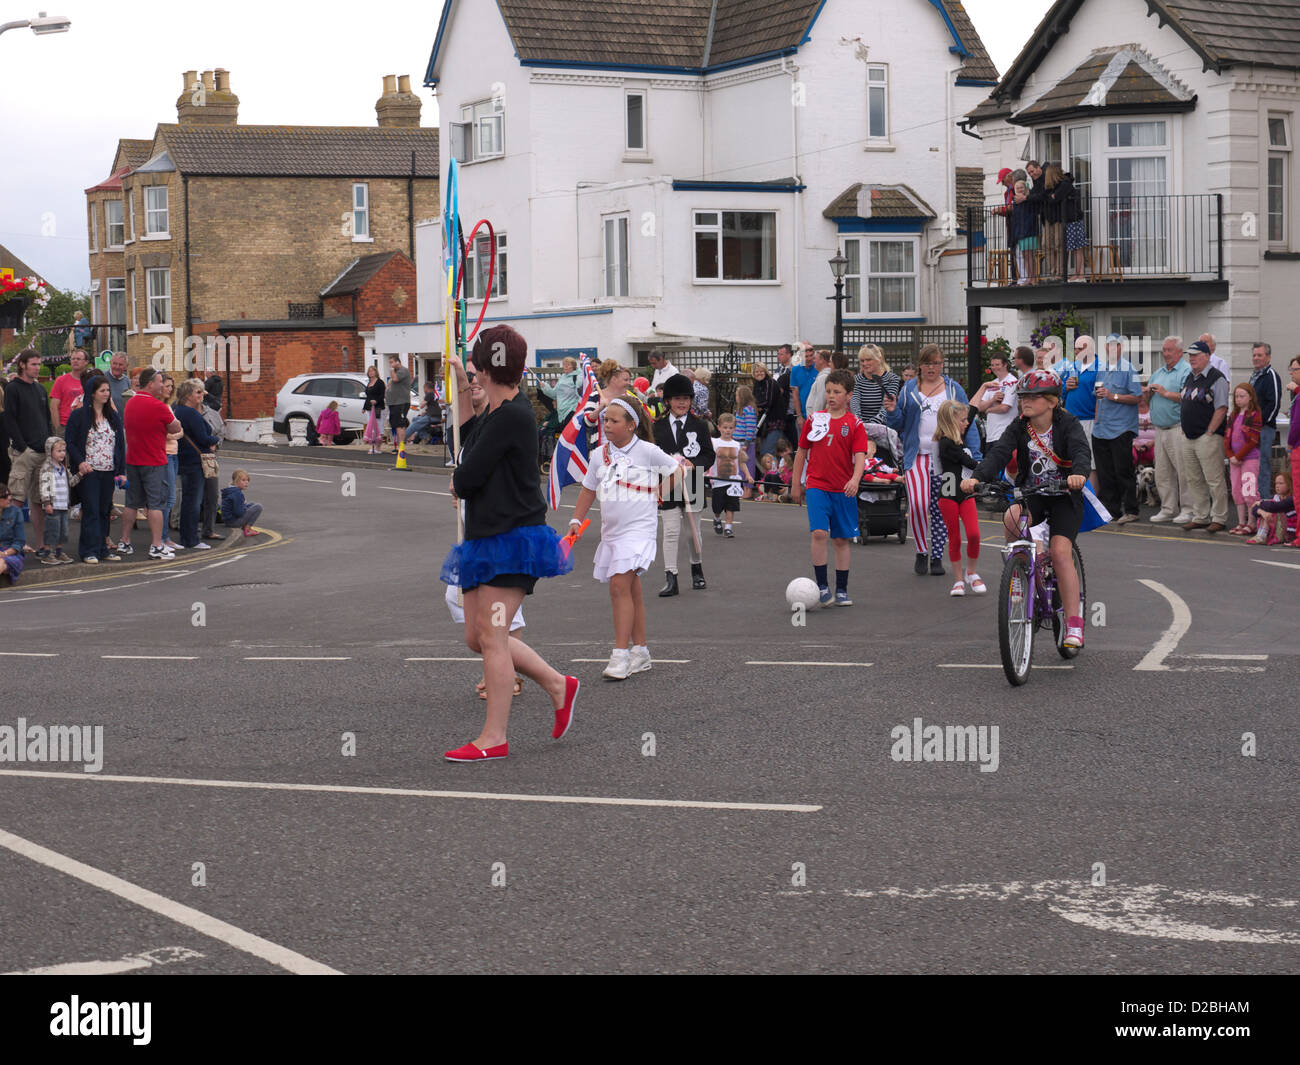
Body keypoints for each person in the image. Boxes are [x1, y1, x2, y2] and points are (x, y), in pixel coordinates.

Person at [439, 325, 580, 762]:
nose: (474, 373)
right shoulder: (500, 411)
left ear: (487, 368)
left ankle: (493, 737)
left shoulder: (513, 416)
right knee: (476, 636)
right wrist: (461, 381)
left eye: (476, 367)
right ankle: (558, 683)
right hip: (486, 539)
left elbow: (467, 476)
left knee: (493, 637)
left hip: (511, 542)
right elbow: (466, 434)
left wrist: (459, 481)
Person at [961, 369, 1092, 646]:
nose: (1025, 402)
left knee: (1060, 552)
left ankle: (1074, 624)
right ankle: (1020, 575)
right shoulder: (1020, 425)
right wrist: (977, 478)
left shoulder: (1068, 424)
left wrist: (1079, 474)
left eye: (1033, 397)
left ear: (1052, 401)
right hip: (1033, 494)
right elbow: (999, 453)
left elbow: (1081, 451)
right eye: (1023, 397)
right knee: (1012, 517)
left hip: (1064, 496)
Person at [569, 393, 680, 680]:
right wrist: (576, 520)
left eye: (614, 421)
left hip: (639, 529)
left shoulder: (647, 451)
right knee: (631, 589)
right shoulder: (599, 455)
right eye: (605, 420)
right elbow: (588, 489)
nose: (607, 425)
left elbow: (677, 472)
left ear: (631, 425)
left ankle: (620, 655)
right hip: (612, 531)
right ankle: (640, 652)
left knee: (618, 585)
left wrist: (658, 494)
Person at [883, 344, 982, 577]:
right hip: (917, 455)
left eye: (936, 363)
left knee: (942, 507)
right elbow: (898, 424)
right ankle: (921, 550)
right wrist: (892, 410)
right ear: (920, 365)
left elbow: (968, 423)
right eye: (927, 363)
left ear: (942, 364)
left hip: (947, 459)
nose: (931, 368)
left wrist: (976, 456)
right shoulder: (908, 389)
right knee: (918, 504)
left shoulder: (954, 389)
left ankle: (937, 556)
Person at [791, 369, 868, 606]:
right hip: (817, 485)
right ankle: (822, 586)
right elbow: (801, 452)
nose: (831, 396)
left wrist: (855, 480)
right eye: (828, 391)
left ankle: (842, 589)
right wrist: (796, 483)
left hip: (842, 489)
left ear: (849, 395)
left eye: (837, 392)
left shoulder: (855, 424)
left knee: (841, 540)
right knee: (819, 533)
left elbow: (860, 456)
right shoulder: (815, 420)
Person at [653, 373, 714, 596]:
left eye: (686, 399)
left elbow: (709, 455)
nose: (682, 403)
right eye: (677, 399)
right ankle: (671, 576)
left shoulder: (699, 425)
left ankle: (697, 570)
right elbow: (650, 455)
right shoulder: (657, 426)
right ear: (668, 401)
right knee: (670, 531)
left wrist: (693, 464)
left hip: (692, 482)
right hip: (668, 484)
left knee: (692, 532)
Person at [119, 367, 184, 559]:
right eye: (159, 382)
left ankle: (124, 541)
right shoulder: (159, 406)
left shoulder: (130, 403)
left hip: (133, 459)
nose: (162, 385)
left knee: (131, 504)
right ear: (150, 384)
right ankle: (156, 545)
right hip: (154, 461)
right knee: (156, 504)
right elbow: (176, 427)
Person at [65, 375, 124, 564]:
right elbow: (70, 442)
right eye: (102, 390)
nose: (106, 394)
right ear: (92, 393)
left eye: (108, 390)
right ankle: (88, 551)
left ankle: (102, 549)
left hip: (108, 470)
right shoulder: (78, 415)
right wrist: (80, 462)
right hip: (89, 471)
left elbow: (120, 445)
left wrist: (121, 471)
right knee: (91, 510)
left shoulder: (113, 416)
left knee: (105, 510)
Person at [1178, 340, 1231, 532]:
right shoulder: (1190, 377)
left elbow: (1222, 408)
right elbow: (1185, 402)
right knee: (1194, 479)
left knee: (1214, 479)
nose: (1191, 359)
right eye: (1190, 355)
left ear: (1207, 356)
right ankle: (1201, 516)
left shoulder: (1217, 378)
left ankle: (1219, 517)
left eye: (1195, 355)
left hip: (1207, 436)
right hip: (1189, 436)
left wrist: (1210, 431)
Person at [4, 349, 54, 550]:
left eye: (39, 364)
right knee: (16, 500)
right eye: (33, 364)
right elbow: (9, 419)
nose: (37, 368)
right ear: (22, 365)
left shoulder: (40, 389)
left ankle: (41, 545)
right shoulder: (13, 388)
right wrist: (22, 447)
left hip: (43, 453)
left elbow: (47, 419)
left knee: (39, 502)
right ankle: (13, 545)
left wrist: (50, 445)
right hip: (23, 453)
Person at [1090, 335, 1142, 524]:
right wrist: (1097, 416)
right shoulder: (1102, 369)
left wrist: (1113, 396)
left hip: (1121, 428)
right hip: (1101, 428)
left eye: (1115, 346)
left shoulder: (1130, 368)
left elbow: (1137, 397)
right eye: (1108, 346)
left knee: (1123, 471)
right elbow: (1097, 396)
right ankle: (1112, 510)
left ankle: (1131, 510)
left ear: (1121, 348)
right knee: (1105, 473)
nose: (1111, 349)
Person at [933, 401, 984, 596]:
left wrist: (983, 388)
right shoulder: (946, 443)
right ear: (951, 422)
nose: (967, 423)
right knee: (954, 537)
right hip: (948, 495)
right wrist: (987, 468)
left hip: (965, 493)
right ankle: (958, 580)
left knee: (974, 534)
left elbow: (971, 411)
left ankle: (971, 572)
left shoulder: (958, 436)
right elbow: (968, 462)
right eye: (963, 421)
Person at [1143, 336, 1193, 523]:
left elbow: (1188, 397)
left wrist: (1164, 392)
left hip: (1177, 427)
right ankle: (1168, 508)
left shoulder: (1186, 371)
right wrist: (1147, 394)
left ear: (1179, 352)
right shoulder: (1158, 372)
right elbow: (1149, 400)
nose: (1165, 353)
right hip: (1159, 428)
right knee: (1163, 472)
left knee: (1183, 471)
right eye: (1164, 350)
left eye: (1169, 350)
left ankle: (1188, 509)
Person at [174, 378, 220, 551]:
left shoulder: (178, 410)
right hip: (195, 462)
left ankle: (186, 537)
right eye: (198, 392)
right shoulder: (191, 413)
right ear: (188, 395)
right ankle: (191, 539)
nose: (201, 395)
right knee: (194, 501)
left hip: (183, 460)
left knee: (187, 500)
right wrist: (214, 440)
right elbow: (203, 437)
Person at [1226, 383, 1263, 534]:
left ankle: (1252, 522)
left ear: (1250, 397)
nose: (1238, 399)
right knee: (1236, 490)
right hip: (1234, 460)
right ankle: (1241, 522)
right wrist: (1231, 456)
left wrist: (1239, 456)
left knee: (1249, 490)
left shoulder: (1255, 415)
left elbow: (1253, 440)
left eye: (1242, 396)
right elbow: (1227, 438)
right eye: (1236, 396)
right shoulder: (1233, 415)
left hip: (1249, 458)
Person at [36, 436, 79, 564]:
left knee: (63, 531)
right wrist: (47, 503)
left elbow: (71, 482)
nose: (62, 454)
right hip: (53, 506)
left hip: (63, 505)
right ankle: (47, 553)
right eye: (59, 451)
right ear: (50, 452)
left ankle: (59, 552)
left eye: (63, 451)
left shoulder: (63, 468)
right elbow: (44, 487)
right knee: (51, 530)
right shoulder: (47, 468)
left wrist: (80, 474)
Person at [709, 413, 752, 536]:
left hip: (733, 482)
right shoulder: (714, 442)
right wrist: (705, 471)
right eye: (725, 427)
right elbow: (709, 459)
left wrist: (748, 475)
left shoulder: (737, 445)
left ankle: (728, 527)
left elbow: (742, 462)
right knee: (717, 507)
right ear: (719, 427)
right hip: (718, 481)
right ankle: (717, 518)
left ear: (734, 429)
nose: (727, 430)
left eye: (730, 428)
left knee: (731, 506)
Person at [1250, 342, 1283, 495]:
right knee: (1251, 466)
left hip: (1264, 429)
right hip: (1250, 429)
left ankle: (1263, 501)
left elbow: (1274, 404)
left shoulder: (1271, 376)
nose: (1256, 358)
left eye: (1260, 355)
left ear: (1268, 357)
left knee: (1262, 466)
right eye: (1254, 355)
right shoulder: (1255, 376)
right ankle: (1252, 501)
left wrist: (1259, 424)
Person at [582, 360, 633, 449]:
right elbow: (587, 422)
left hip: (626, 448)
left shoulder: (630, 398)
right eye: (626, 380)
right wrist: (600, 408)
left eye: (629, 380)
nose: (629, 383)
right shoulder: (595, 396)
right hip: (601, 448)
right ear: (614, 379)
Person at [158, 375, 182, 552]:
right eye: (167, 385)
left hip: (173, 454)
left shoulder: (168, 406)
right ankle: (162, 538)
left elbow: (180, 431)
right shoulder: (158, 406)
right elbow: (163, 433)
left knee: (170, 498)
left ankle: (165, 537)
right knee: (168, 498)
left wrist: (174, 434)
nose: (170, 389)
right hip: (165, 454)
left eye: (171, 386)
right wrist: (173, 435)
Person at [852, 345, 901, 425]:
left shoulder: (892, 379)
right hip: (860, 426)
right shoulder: (856, 380)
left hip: (883, 427)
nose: (865, 363)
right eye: (862, 361)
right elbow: (854, 405)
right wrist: (860, 425)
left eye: (868, 360)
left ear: (879, 359)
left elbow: (886, 406)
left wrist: (871, 425)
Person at [49, 349, 90, 434]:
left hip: (87, 426)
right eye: (73, 359)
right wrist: (58, 430)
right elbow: (53, 407)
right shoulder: (61, 380)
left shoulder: (91, 380)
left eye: (78, 359)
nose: (75, 361)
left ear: (86, 362)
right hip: (66, 426)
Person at [1248, 471, 1294, 544]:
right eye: (1276, 483)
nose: (1277, 486)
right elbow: (1254, 509)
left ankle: (1262, 536)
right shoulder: (1275, 497)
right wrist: (1262, 512)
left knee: (1271, 510)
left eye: (1281, 483)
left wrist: (1261, 504)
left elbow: (1275, 506)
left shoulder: (1292, 499)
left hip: (1290, 532)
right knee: (1265, 510)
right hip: (1278, 529)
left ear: (1289, 485)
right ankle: (1261, 535)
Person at [538, 356, 584, 424]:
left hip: (572, 410)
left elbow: (580, 391)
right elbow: (554, 394)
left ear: (573, 367)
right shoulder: (562, 378)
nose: (565, 367)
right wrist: (545, 387)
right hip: (561, 412)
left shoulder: (578, 376)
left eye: (568, 365)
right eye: (564, 365)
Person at [1009, 181, 1038, 285]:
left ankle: (1032, 278)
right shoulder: (1015, 203)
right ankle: (1029, 277)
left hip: (1029, 231)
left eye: (1021, 187)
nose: (1020, 190)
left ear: (1025, 188)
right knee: (1025, 255)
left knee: (1029, 255)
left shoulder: (1029, 200)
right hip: (1020, 233)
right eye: (1017, 188)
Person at [1040, 164, 1066, 280]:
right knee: (1045, 244)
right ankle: (1052, 272)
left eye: (1047, 174)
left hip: (1059, 218)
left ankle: (1060, 272)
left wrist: (1051, 197)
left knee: (1058, 243)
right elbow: (1045, 198)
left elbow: (1054, 200)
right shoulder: (1047, 188)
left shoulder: (1062, 185)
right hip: (1048, 219)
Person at [220, 469, 264, 537]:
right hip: (233, 522)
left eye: (247, 480)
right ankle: (247, 529)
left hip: (228, 520)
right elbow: (239, 513)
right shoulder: (237, 493)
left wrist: (243, 505)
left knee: (251, 504)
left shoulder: (231, 490)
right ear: (236, 481)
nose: (246, 482)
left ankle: (246, 527)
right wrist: (243, 505)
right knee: (258, 507)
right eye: (243, 480)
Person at [386, 355, 412, 458]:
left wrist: (392, 370)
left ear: (397, 362)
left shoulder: (403, 371)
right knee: (395, 424)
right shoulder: (396, 372)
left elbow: (395, 379)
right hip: (393, 403)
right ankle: (397, 446)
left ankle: (401, 447)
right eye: (389, 362)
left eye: (392, 362)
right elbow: (391, 383)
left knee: (400, 424)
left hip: (401, 402)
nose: (390, 365)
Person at [789, 342, 817, 437]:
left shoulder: (819, 368)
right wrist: (799, 416)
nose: (809, 359)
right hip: (803, 415)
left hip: (818, 413)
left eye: (811, 356)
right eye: (806, 356)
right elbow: (795, 395)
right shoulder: (795, 370)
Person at [733, 385, 758, 490]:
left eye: (737, 395)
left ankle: (748, 489)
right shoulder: (740, 409)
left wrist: (747, 443)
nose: (736, 397)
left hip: (745, 443)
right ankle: (742, 488)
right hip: (738, 442)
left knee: (748, 465)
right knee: (740, 467)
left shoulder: (749, 410)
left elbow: (750, 428)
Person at [0, 484, 26, 586]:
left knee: (1, 562)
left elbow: (20, 541)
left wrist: (5, 553)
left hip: (10, 552)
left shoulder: (16, 512)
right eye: (5, 496)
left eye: (9, 494)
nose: (9, 498)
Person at [362, 364, 386, 454]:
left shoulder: (380, 382)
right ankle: (372, 445)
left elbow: (382, 395)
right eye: (369, 371)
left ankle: (378, 447)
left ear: (376, 372)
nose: (371, 373)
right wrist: (364, 407)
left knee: (379, 427)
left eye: (372, 371)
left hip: (378, 408)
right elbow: (368, 396)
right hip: (369, 408)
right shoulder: (369, 383)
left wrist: (376, 401)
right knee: (371, 427)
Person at [805, 349, 832, 417]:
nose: (813, 361)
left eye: (815, 358)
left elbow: (821, 401)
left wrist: (815, 418)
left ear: (821, 360)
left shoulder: (823, 377)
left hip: (816, 418)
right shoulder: (823, 376)